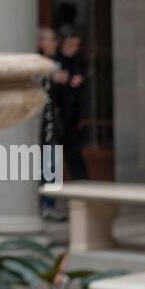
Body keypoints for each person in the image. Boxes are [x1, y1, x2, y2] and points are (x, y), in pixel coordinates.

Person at [37, 26, 65, 220]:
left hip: (52, 125)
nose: (55, 43)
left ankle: (49, 204)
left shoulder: (55, 63)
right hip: (39, 126)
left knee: (52, 164)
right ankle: (44, 205)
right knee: (46, 165)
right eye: (51, 40)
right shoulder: (37, 66)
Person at [55, 30, 89, 182]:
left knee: (74, 151)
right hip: (57, 112)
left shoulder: (79, 61)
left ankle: (81, 182)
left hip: (72, 114)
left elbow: (83, 90)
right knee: (53, 150)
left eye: (76, 46)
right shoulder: (55, 60)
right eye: (70, 45)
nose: (73, 49)